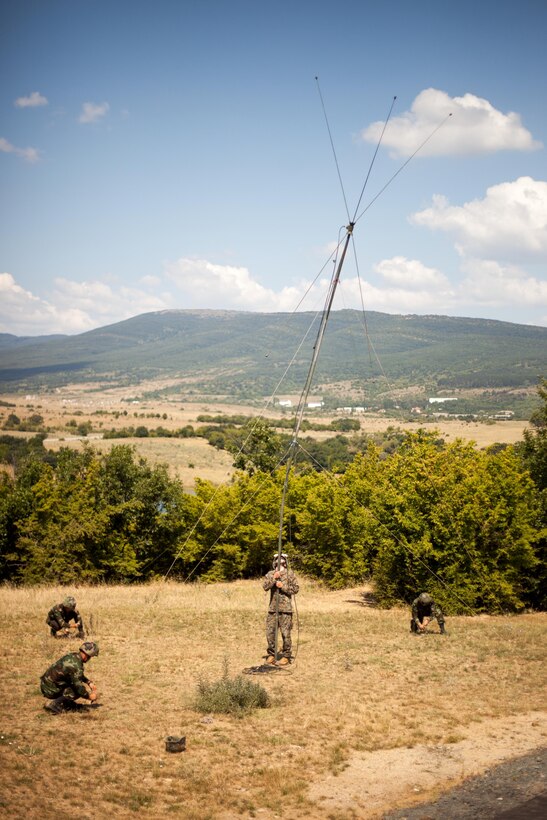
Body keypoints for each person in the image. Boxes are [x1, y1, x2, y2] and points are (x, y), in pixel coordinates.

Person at [40, 641, 99, 713]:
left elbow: (76, 675)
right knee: (75, 691)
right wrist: (89, 696)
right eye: (90, 657)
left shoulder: (73, 656)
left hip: (46, 684)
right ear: (87, 655)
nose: (89, 659)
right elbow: (79, 689)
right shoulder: (76, 666)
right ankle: (54, 704)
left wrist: (88, 682)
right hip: (50, 689)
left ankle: (67, 704)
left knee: (73, 685)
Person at [263, 552, 299, 665]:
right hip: (273, 609)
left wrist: (283, 587)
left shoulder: (290, 574)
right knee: (270, 632)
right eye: (277, 561)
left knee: (285, 633)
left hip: (286, 609)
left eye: (282, 562)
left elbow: (295, 589)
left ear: (285, 562)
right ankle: (271, 654)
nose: (280, 563)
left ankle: (286, 656)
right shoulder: (270, 574)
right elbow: (265, 587)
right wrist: (274, 579)